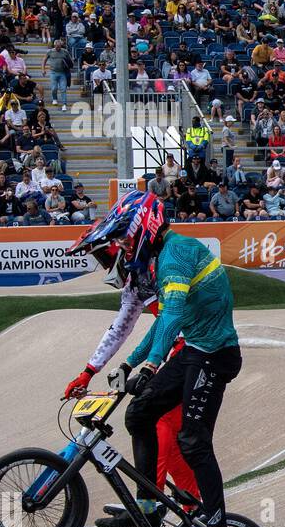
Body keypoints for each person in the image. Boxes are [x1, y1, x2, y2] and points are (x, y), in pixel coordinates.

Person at [95, 192, 241, 527]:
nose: (123, 246)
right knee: (138, 415)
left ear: (145, 227)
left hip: (215, 354)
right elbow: (162, 321)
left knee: (193, 441)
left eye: (126, 236)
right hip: (195, 350)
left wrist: (152, 364)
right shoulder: (163, 257)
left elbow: (172, 312)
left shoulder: (176, 255)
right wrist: (131, 361)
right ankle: (149, 506)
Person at [63, 197, 201, 507]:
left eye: (102, 256)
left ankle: (148, 506)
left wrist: (146, 364)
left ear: (118, 247)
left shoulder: (154, 265)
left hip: (190, 352)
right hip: (176, 353)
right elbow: (118, 329)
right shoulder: (136, 282)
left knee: (156, 425)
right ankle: (195, 511)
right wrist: (89, 371)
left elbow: (172, 318)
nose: (103, 264)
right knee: (170, 439)